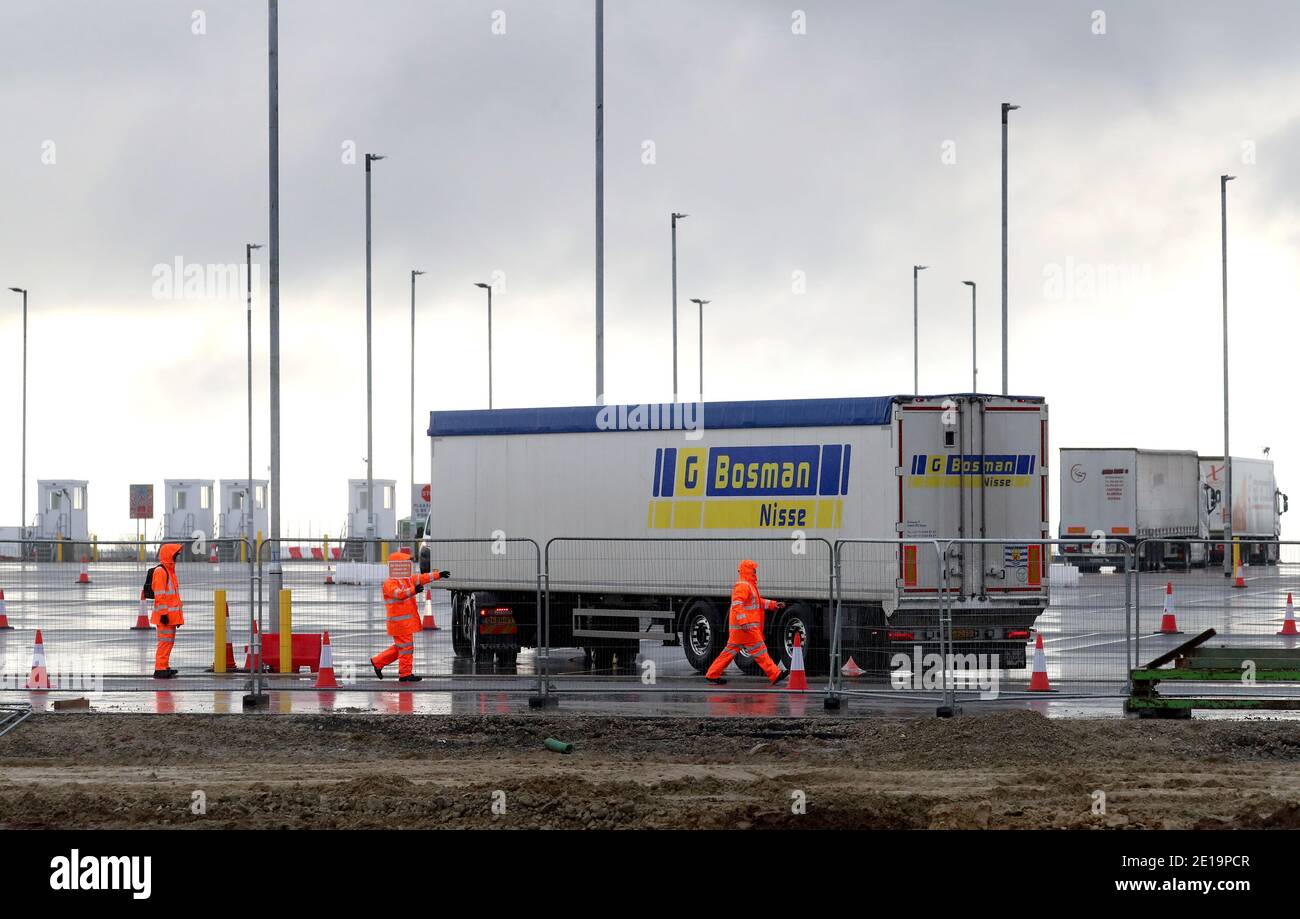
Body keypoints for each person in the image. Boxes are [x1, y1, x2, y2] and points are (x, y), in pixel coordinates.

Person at [705, 558, 789, 685]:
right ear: (748, 571)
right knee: (761, 651)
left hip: (742, 629)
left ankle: (712, 674)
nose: (755, 572)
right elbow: (737, 604)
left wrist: (774, 604)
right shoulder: (744, 585)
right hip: (746, 628)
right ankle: (775, 674)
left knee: (729, 653)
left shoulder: (748, 585)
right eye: (753, 570)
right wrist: (744, 622)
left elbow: (758, 602)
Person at [371, 549, 450, 682]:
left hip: (404, 624)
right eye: (405, 563)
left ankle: (378, 662)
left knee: (402, 648)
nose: (408, 565)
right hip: (399, 624)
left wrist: (439, 575)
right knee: (406, 648)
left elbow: (423, 577)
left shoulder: (407, 579)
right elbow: (399, 594)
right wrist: (414, 590)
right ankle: (405, 674)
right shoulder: (389, 583)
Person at [151, 543, 186, 679]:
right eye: (175, 555)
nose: (176, 558)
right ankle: (159, 668)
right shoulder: (161, 572)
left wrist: (176, 617)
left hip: (169, 616)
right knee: (164, 643)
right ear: (169, 556)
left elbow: (173, 597)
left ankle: (164, 666)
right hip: (164, 616)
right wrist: (164, 614)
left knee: (168, 642)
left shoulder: (169, 571)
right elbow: (160, 596)